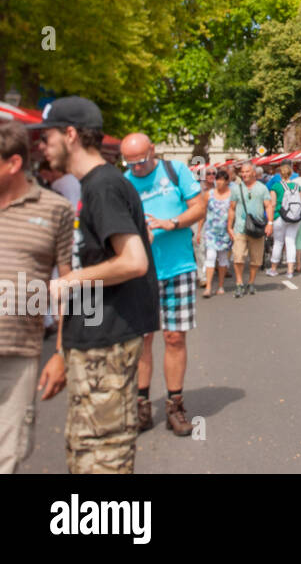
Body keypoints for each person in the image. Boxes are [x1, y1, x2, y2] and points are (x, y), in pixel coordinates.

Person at [34, 97, 159, 473]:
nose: (42, 146)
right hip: (92, 344)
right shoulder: (95, 185)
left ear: (70, 134)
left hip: (108, 343)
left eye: (47, 136)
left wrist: (72, 279)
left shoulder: (102, 186)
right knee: (86, 455)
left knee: (102, 461)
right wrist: (62, 352)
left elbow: (134, 259)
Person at [120, 132, 206, 437]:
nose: (137, 168)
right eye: (129, 163)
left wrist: (172, 223)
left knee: (173, 338)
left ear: (152, 152)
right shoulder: (124, 181)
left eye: (141, 161)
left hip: (177, 268)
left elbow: (199, 207)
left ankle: (175, 405)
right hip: (139, 272)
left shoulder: (176, 171)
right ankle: (141, 405)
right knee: (141, 340)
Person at [0, 121, 74, 473]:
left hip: (16, 356)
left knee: (8, 455)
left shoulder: (55, 209)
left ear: (13, 164)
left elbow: (70, 283)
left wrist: (61, 352)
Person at [229, 163, 274, 297]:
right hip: (240, 228)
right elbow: (231, 208)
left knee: (255, 259)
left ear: (254, 173)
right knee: (238, 257)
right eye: (242, 172)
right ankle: (239, 283)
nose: (244, 174)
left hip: (256, 228)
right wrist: (229, 227)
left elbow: (268, 206)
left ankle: (251, 282)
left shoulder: (262, 188)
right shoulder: (236, 189)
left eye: (247, 171)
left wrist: (270, 223)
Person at [201, 168, 234, 297]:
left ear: (227, 182)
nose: (219, 182)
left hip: (224, 232)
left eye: (222, 180)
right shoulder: (209, 194)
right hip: (211, 231)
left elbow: (232, 212)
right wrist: (199, 231)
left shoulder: (231, 194)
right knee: (210, 257)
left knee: (223, 259)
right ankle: (208, 287)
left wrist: (231, 228)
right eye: (217, 179)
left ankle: (220, 285)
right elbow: (203, 212)